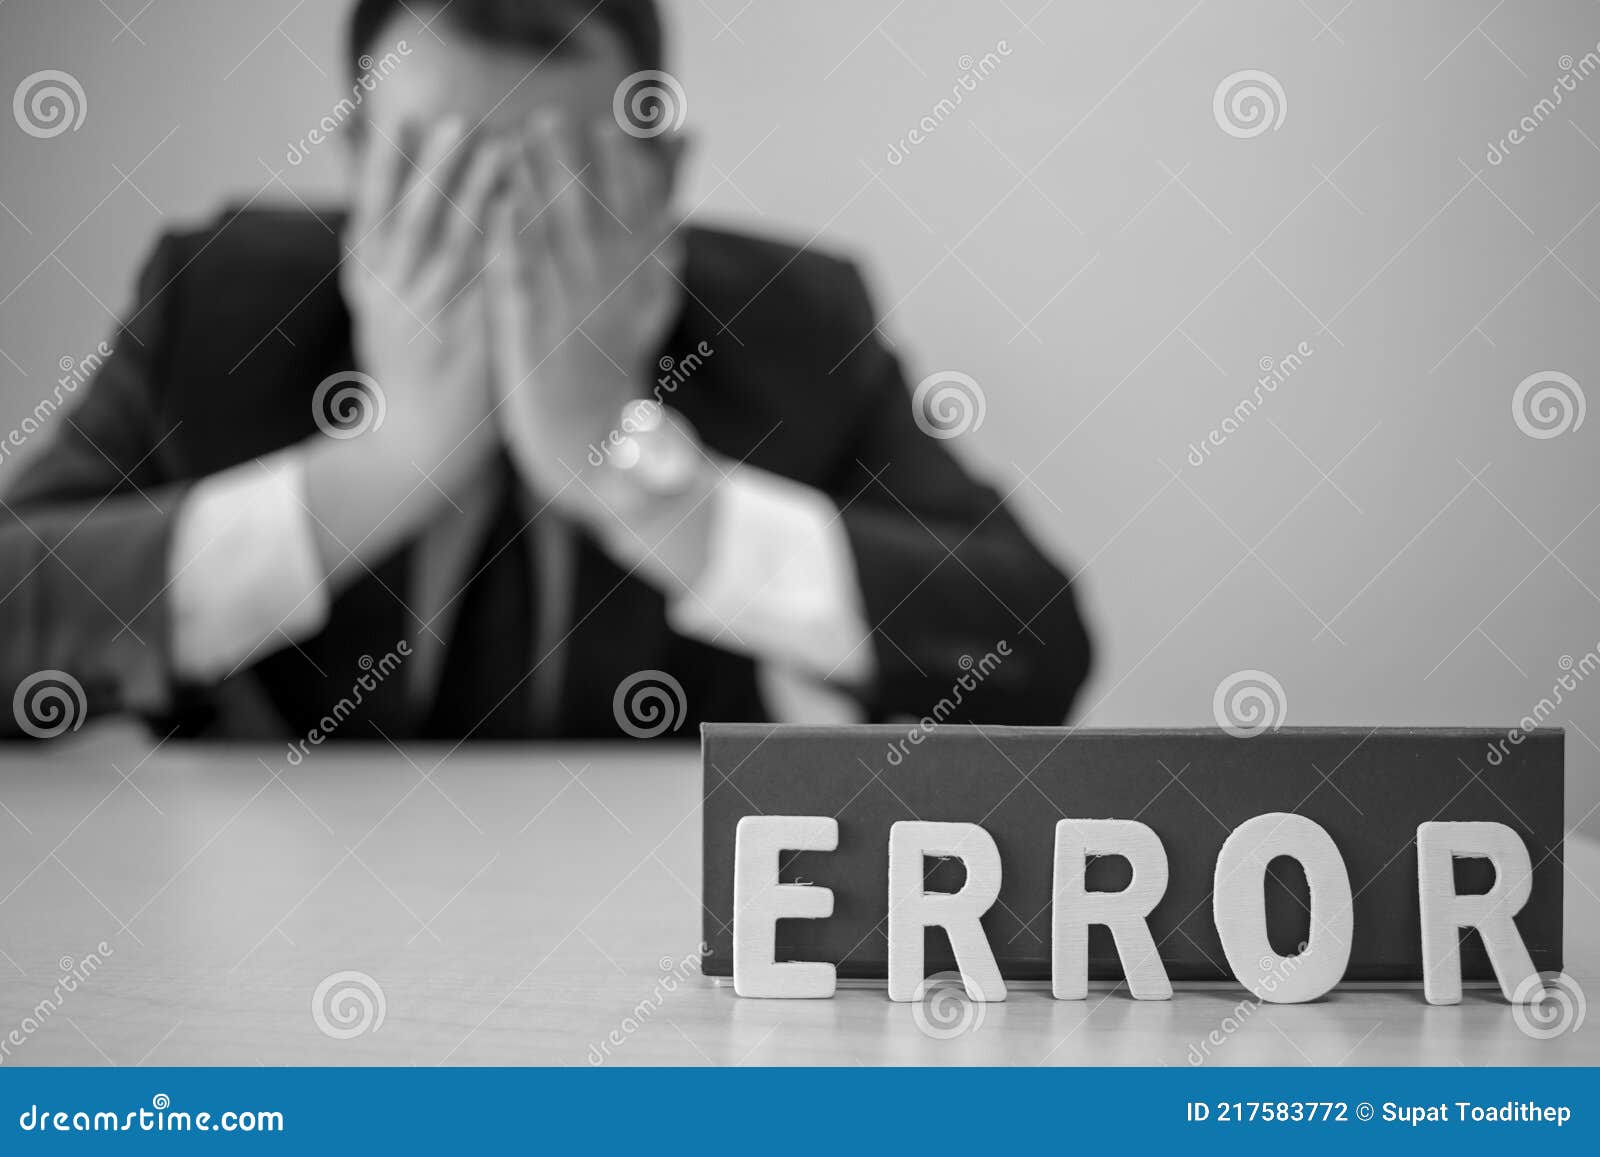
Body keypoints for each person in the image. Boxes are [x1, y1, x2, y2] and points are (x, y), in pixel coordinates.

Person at [0, 0, 1092, 741]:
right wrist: (378, 472)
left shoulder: (791, 325)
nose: (496, 235)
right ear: (356, 163)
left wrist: (637, 481)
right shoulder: (219, 306)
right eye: (438, 171)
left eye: (558, 179)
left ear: (662, 177)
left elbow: (1030, 644)